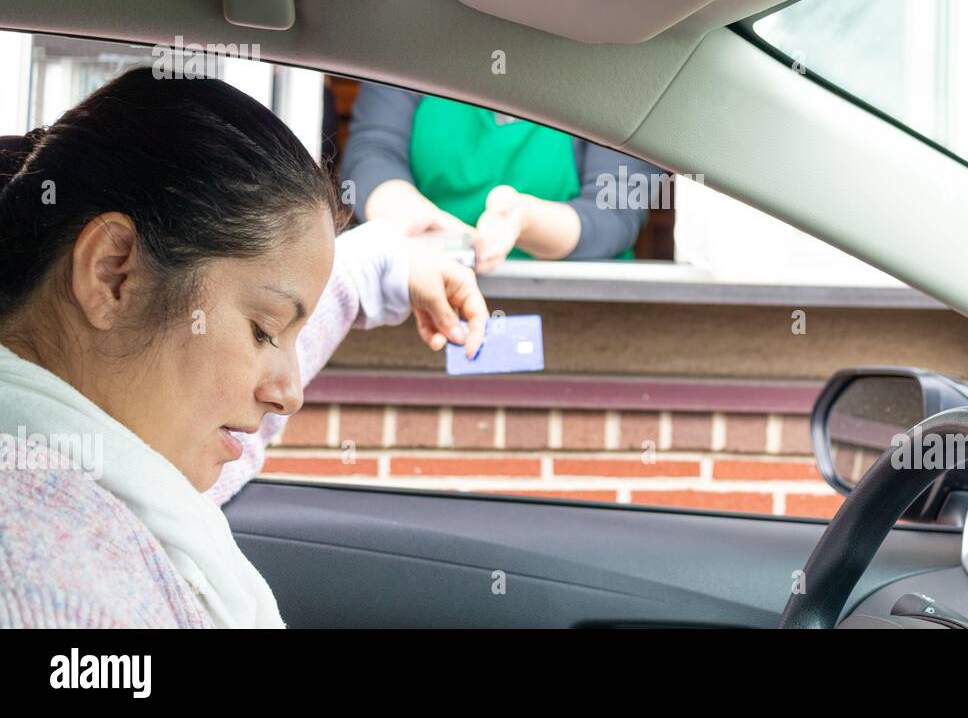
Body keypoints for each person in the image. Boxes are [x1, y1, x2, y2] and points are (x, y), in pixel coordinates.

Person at [0, 68, 488, 628]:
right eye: (264, 329)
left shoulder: (108, 464)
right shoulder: (37, 583)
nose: (289, 395)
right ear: (113, 274)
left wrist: (378, 266)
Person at [342, 84, 661, 272]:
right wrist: (405, 212)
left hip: (575, 316)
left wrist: (523, 219)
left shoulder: (617, 65)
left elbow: (617, 210)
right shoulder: (408, 44)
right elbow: (371, 152)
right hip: (422, 286)